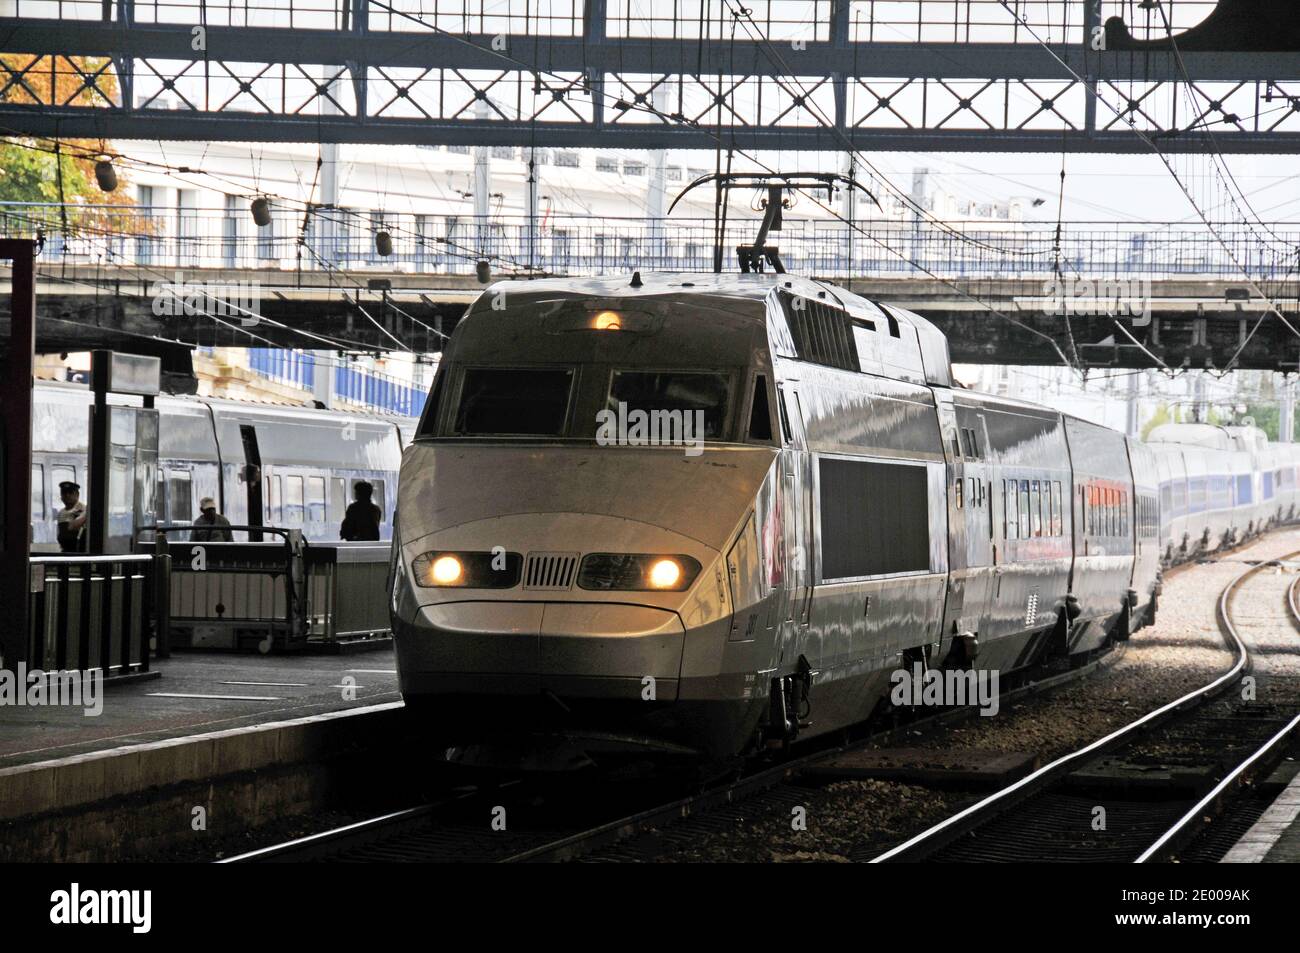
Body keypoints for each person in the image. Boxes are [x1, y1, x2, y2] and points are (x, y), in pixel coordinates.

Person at [54, 481, 88, 553]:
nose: (67, 495)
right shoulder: (61, 513)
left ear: (77, 495)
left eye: (70, 493)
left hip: (78, 551)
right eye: (64, 493)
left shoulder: (83, 510)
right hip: (65, 550)